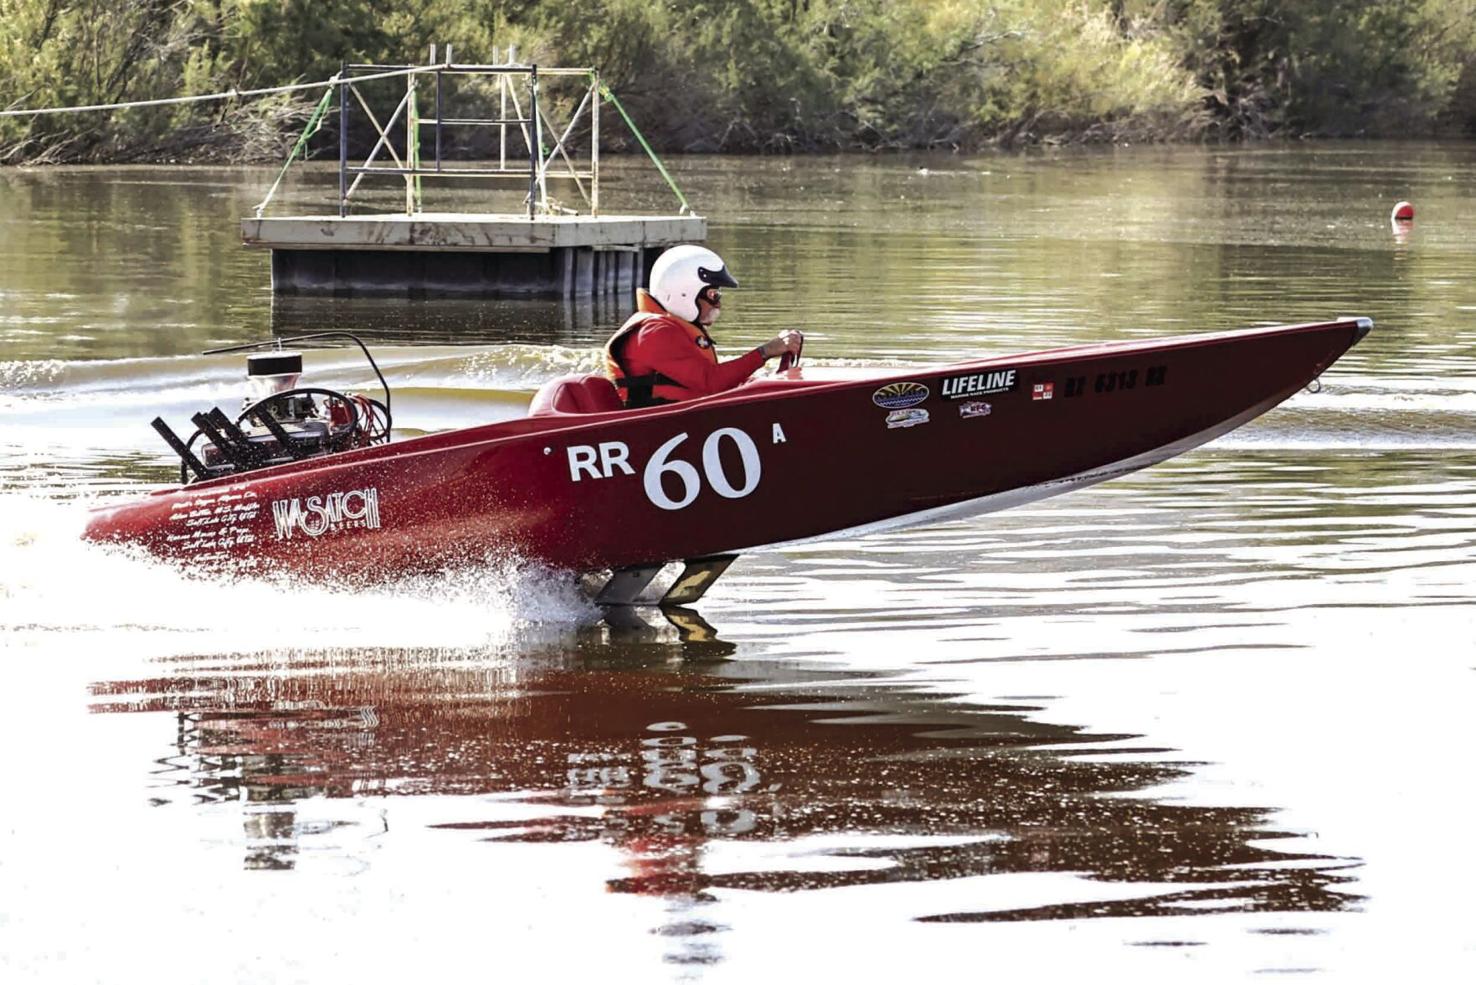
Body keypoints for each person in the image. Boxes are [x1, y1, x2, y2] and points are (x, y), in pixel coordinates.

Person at [604, 245, 803, 407]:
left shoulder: (669, 328)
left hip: (682, 421)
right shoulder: (654, 333)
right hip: (656, 427)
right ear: (684, 292)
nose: (718, 304)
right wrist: (765, 352)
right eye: (712, 296)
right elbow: (711, 382)